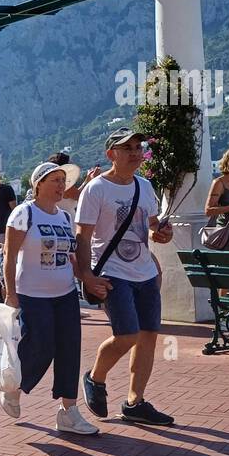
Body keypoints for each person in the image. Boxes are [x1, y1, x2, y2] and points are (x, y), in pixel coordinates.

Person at [77, 128, 176, 426]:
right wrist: (85, 275)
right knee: (127, 335)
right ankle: (95, 378)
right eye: (126, 147)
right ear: (111, 154)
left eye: (137, 147)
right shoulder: (96, 189)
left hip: (144, 272)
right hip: (112, 272)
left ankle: (136, 402)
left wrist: (163, 233)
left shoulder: (145, 186)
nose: (135, 152)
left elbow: (151, 227)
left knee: (148, 337)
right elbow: (82, 238)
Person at [0, 163, 97, 434]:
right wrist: (11, 293)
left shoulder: (65, 217)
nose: (60, 185)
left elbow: (72, 258)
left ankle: (69, 412)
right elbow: (9, 256)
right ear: (38, 184)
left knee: (69, 349)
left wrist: (88, 278)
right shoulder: (24, 213)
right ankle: (15, 388)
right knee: (40, 346)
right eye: (54, 180)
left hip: (65, 294)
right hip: (32, 295)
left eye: (63, 181)